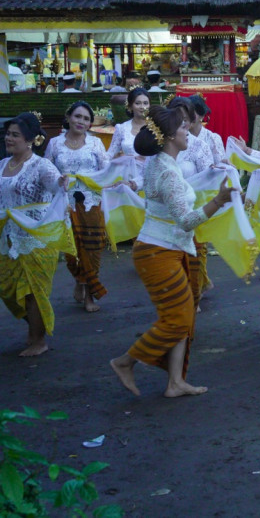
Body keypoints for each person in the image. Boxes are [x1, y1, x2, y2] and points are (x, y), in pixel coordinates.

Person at [109, 104, 236, 398]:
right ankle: (125, 361)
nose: (188, 130)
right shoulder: (166, 171)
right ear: (168, 136)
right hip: (158, 252)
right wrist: (218, 201)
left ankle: (175, 382)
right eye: (182, 127)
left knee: (182, 316)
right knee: (178, 319)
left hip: (164, 248)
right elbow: (187, 220)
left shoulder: (161, 163)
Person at [0, 114, 64, 356]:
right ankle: (38, 326)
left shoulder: (41, 165)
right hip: (8, 237)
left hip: (37, 238)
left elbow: (57, 185)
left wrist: (63, 182)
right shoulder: (3, 164)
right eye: (8, 134)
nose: (9, 138)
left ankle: (38, 340)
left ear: (30, 141)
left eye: (15, 135)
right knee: (7, 288)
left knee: (32, 291)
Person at [45, 101, 110, 312]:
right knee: (71, 252)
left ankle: (90, 295)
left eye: (86, 119)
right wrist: (58, 179)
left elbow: (106, 172)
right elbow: (46, 172)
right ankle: (80, 279)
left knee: (91, 251)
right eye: (77, 117)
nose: (81, 122)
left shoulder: (96, 144)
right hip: (64, 205)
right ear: (68, 117)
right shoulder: (54, 143)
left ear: (90, 123)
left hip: (91, 204)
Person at [167, 97, 216, 305]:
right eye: (177, 118)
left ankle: (193, 298)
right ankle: (178, 296)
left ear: (193, 120)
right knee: (172, 258)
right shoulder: (161, 143)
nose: (182, 123)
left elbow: (208, 177)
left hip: (194, 209)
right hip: (167, 212)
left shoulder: (199, 146)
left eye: (186, 119)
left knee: (194, 256)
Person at [107, 87, 151, 188]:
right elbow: (110, 154)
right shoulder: (122, 128)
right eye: (138, 103)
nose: (142, 107)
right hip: (126, 177)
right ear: (130, 106)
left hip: (149, 177)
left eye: (145, 103)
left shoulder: (156, 128)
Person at [188, 95, 227, 165]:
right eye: (187, 114)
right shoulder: (181, 137)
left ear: (202, 116)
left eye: (192, 114)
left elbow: (221, 168)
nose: (189, 118)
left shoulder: (213, 138)